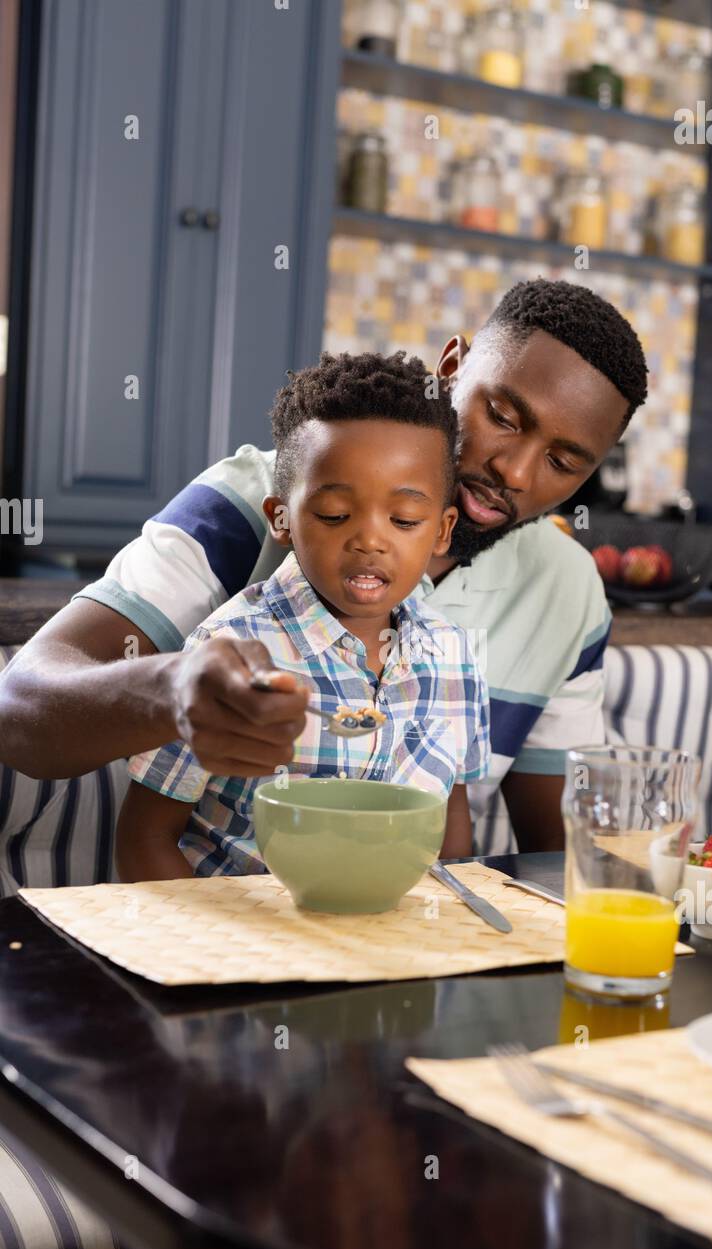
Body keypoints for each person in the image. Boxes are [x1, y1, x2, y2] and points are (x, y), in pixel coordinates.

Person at [0, 279, 648, 860]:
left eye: (563, 463)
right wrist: (173, 689)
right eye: (501, 416)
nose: (515, 470)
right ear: (449, 370)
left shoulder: (566, 589)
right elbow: (18, 708)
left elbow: (554, 855)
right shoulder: (245, 504)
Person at [115, 352, 488, 878]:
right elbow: (146, 836)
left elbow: (451, 820)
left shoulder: (454, 656)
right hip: (246, 943)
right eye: (335, 515)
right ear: (282, 518)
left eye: (404, 520)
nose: (370, 539)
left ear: (443, 530)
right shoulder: (231, 652)